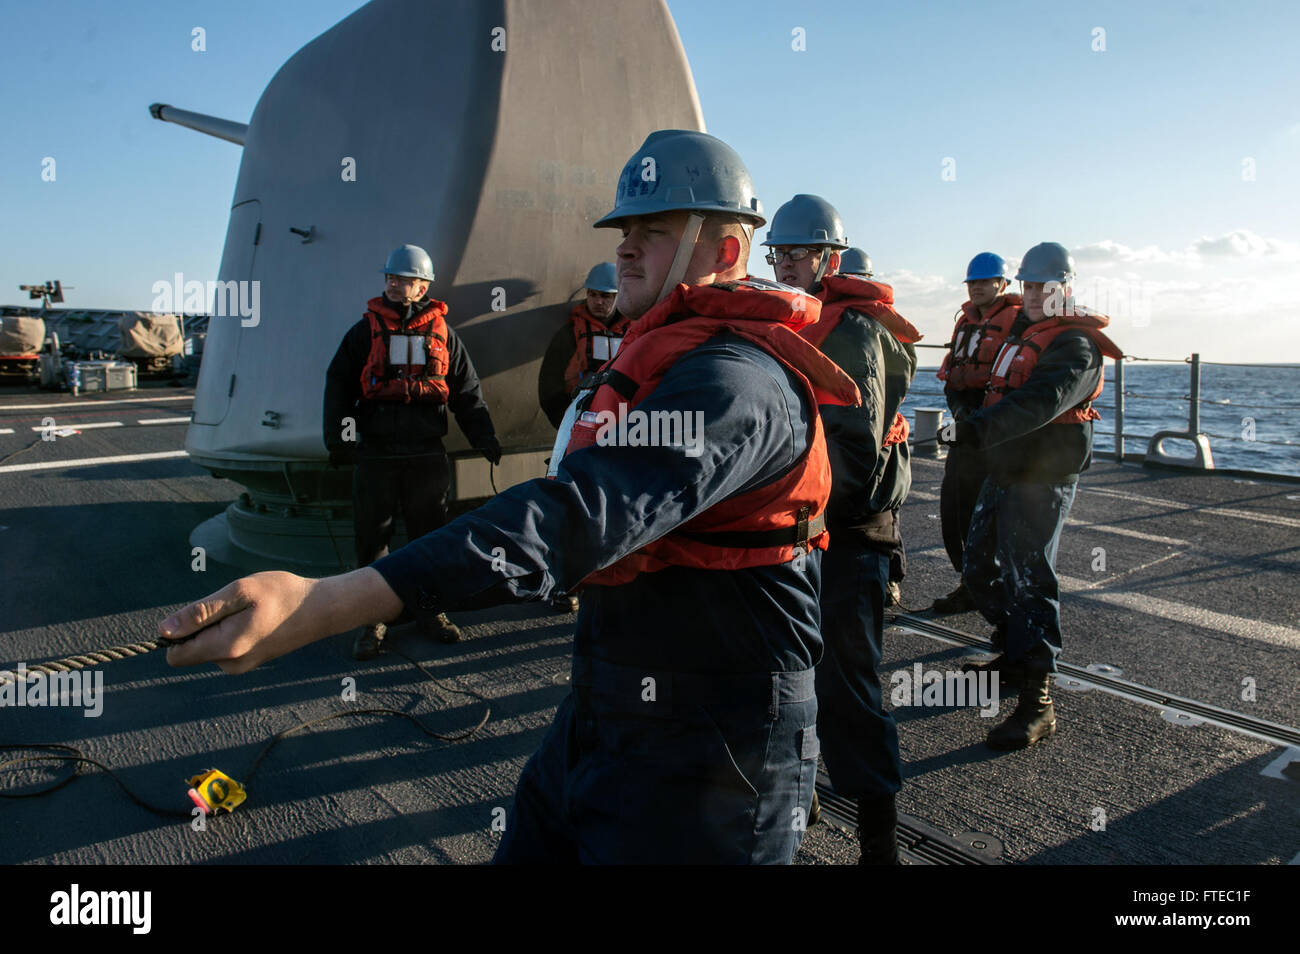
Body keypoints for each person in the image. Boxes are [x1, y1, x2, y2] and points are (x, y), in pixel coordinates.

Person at [162, 130, 861, 864]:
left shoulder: (733, 382)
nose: (624, 249)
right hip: (610, 704)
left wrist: (325, 603)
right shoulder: (665, 356)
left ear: (725, 252)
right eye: (625, 231)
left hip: (716, 742)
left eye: (651, 233)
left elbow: (578, 517)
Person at [764, 194, 920, 862]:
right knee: (792, 672)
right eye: (779, 253)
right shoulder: (802, 322)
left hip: (846, 536)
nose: (786, 265)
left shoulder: (852, 332)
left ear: (829, 257)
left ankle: (879, 839)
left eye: (797, 253)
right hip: (808, 530)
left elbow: (852, 456)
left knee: (849, 686)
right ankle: (805, 789)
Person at [939, 241, 1121, 750]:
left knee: (1030, 580)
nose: (1036, 294)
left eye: (1046, 286)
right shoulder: (1024, 333)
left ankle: (1037, 702)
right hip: (1004, 468)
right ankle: (1015, 652)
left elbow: (1041, 400)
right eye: (1030, 286)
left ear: (1066, 289)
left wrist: (977, 431)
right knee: (977, 567)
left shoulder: (1076, 348)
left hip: (1043, 478)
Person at [322, 243, 502, 659]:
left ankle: (428, 610)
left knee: (430, 538)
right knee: (373, 539)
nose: (395, 284)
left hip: (425, 454)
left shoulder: (444, 336)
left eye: (404, 280)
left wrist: (483, 437)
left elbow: (466, 391)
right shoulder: (364, 332)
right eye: (391, 278)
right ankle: (372, 619)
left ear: (423, 287)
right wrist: (340, 439)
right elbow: (338, 387)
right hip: (377, 455)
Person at [930, 252, 1021, 615]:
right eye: (973, 282)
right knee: (954, 507)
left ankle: (998, 594)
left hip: (995, 432)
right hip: (965, 425)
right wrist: (960, 412)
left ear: (1002, 284)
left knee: (992, 517)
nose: (978, 287)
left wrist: (982, 421)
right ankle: (969, 582)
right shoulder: (964, 323)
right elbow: (954, 373)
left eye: (985, 281)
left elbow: (1015, 380)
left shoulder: (1016, 323)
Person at [537, 262, 630, 428]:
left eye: (605, 296)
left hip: (620, 420)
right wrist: (564, 422)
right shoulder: (570, 333)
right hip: (579, 418)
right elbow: (549, 382)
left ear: (618, 296)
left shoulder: (632, 333)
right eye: (592, 294)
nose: (598, 301)